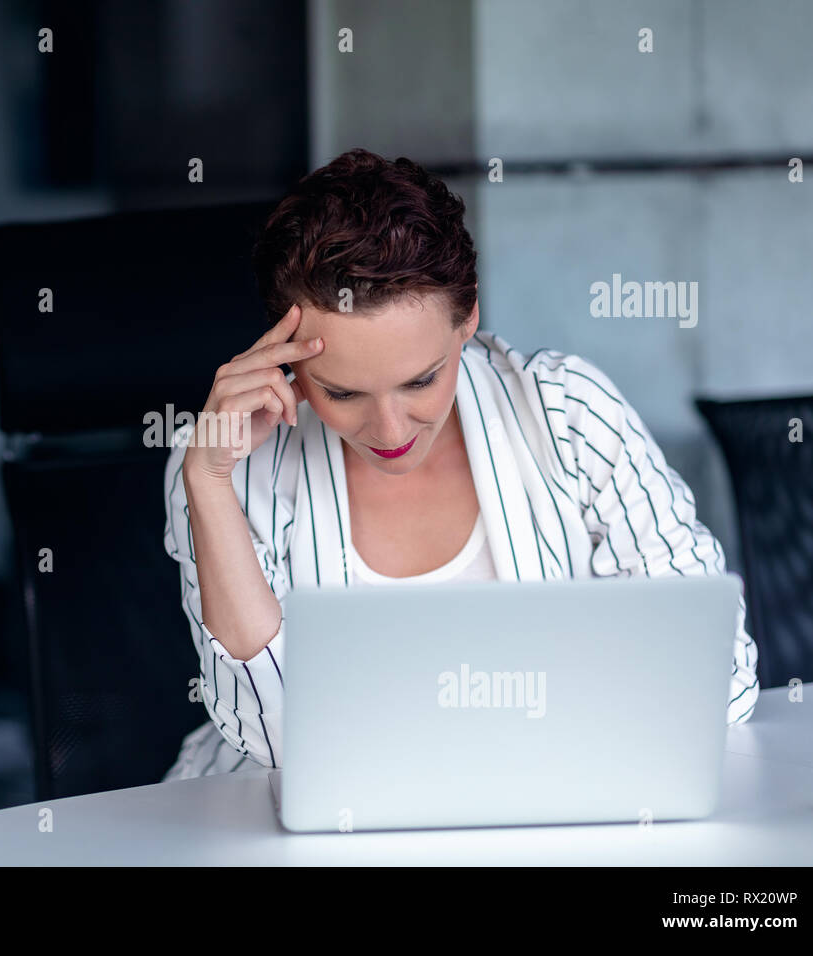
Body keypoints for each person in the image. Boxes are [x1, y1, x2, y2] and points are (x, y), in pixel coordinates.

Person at [161, 148, 758, 780]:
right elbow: (275, 738)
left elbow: (717, 679)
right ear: (284, 356)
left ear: (468, 314)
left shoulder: (569, 416)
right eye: (342, 393)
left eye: (420, 381)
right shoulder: (225, 463)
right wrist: (209, 482)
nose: (390, 430)